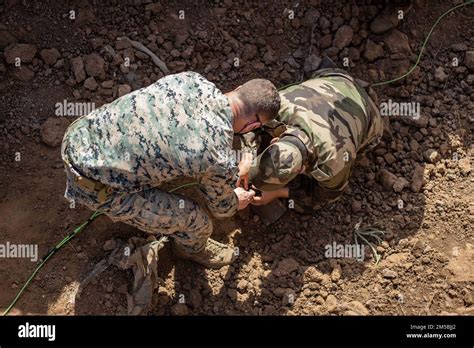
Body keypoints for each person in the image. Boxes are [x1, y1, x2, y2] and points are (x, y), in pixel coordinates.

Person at [61, 71, 280, 269]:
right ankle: (190, 250)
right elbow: (221, 208)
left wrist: (230, 166)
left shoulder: (192, 80)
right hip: (92, 185)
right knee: (199, 223)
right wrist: (236, 200)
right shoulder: (217, 156)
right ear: (252, 127)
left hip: (77, 137)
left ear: (239, 87)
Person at [242, 68, 384, 214]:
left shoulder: (333, 163)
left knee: (307, 206)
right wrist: (246, 158)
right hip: (335, 77)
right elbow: (247, 128)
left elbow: (326, 195)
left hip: (370, 113)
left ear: (301, 169)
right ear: (275, 141)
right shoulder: (278, 108)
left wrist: (278, 192)